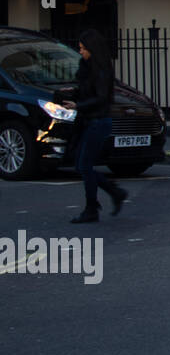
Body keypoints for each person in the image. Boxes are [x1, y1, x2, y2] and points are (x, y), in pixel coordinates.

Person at [63, 29, 127, 224]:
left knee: (84, 165)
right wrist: (72, 93)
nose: (80, 52)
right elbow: (87, 92)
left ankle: (93, 208)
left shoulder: (101, 70)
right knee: (81, 165)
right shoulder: (88, 67)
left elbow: (101, 99)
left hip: (98, 121)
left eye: (83, 49)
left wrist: (77, 105)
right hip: (89, 120)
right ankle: (113, 192)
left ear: (92, 48)